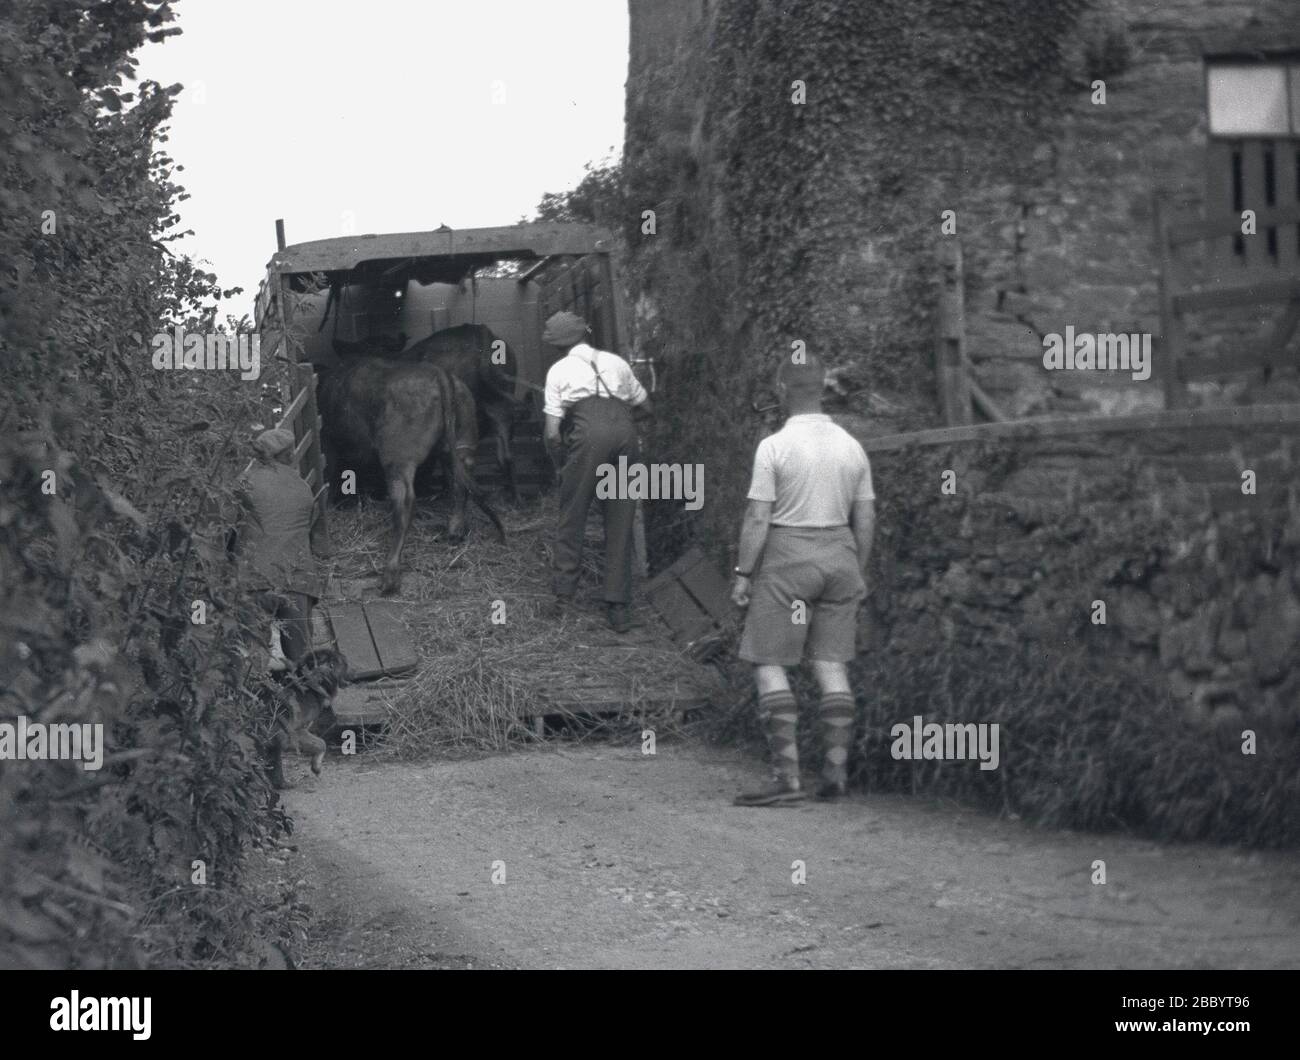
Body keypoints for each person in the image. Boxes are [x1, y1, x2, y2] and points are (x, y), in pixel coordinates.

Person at [730, 354, 875, 806]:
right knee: (831, 665)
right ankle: (835, 774)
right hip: (841, 557)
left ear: (780, 389)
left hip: (788, 559)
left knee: (769, 661)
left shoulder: (774, 447)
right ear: (823, 388)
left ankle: (787, 778)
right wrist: (859, 568)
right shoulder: (852, 446)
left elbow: (758, 517)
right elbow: (866, 515)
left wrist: (743, 574)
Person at [541, 310, 652, 633]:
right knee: (619, 518)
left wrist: (562, 458)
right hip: (626, 436)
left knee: (572, 513)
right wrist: (621, 425)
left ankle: (564, 596)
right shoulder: (617, 362)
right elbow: (647, 407)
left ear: (558, 345)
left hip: (588, 439)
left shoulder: (559, 370)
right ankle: (618, 607)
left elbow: (551, 433)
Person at [235, 428, 322, 665]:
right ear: (288, 456)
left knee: (254, 656)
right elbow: (310, 533)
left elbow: (228, 531)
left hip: (255, 580)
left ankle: (256, 697)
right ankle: (316, 699)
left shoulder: (244, 483)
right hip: (298, 581)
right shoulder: (303, 487)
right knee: (303, 660)